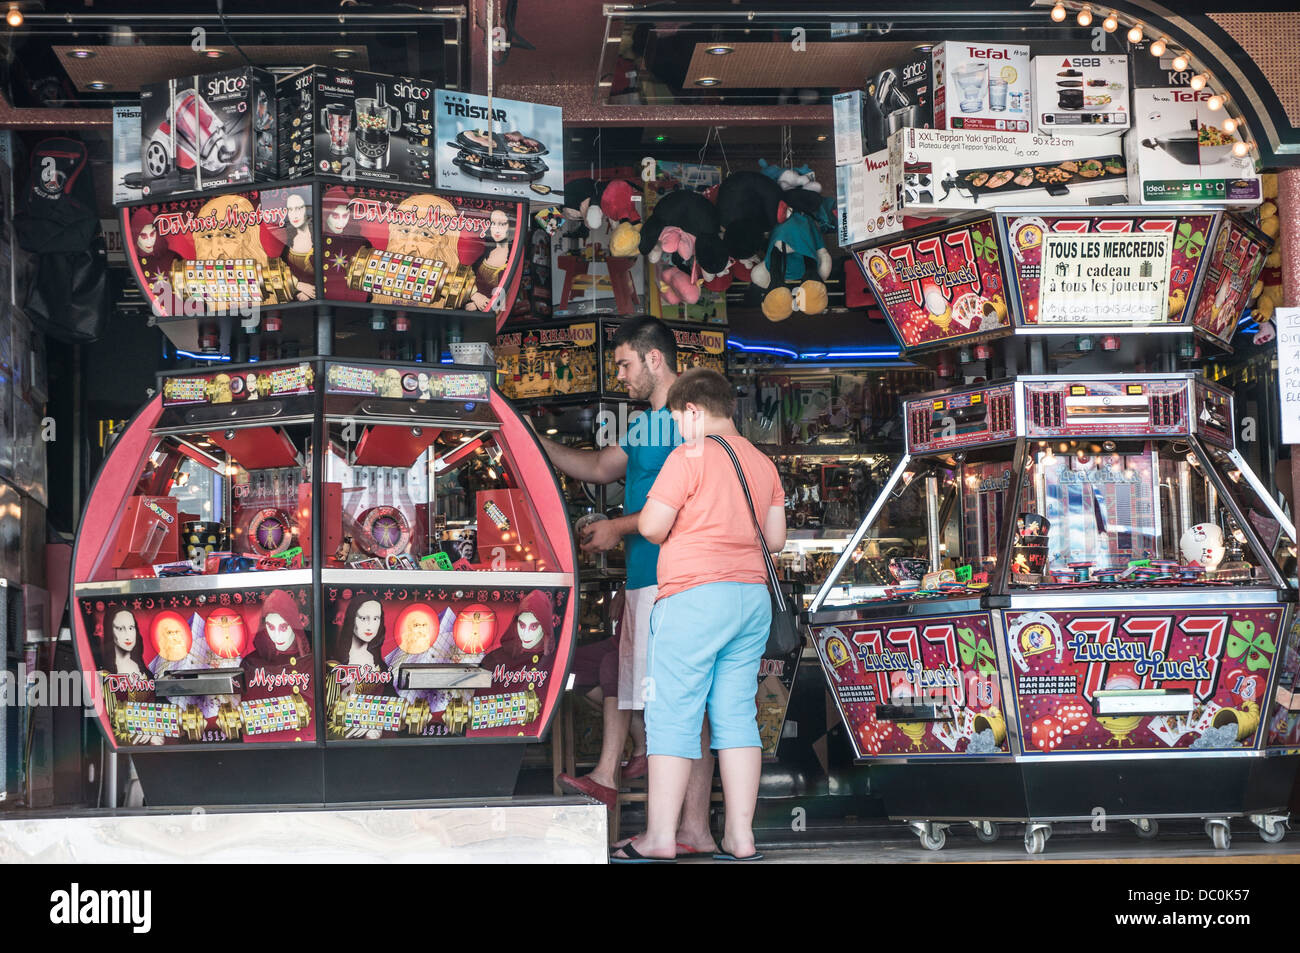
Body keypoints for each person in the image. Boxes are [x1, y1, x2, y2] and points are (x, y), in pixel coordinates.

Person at [536, 317, 708, 838]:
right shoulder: (649, 423)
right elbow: (595, 468)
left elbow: (693, 505)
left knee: (683, 708)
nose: (620, 376)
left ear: (655, 359)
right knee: (661, 706)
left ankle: (692, 830)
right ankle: (678, 829)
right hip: (643, 582)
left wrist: (618, 526)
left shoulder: (689, 419)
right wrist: (534, 442)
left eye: (625, 364)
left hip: (675, 579)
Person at [612, 368, 786, 863]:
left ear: (691, 411)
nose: (677, 430)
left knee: (672, 715)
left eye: (676, 419)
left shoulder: (687, 455)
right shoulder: (762, 462)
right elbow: (774, 540)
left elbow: (650, 525)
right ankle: (740, 836)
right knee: (735, 716)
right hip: (749, 601)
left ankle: (661, 838)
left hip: (692, 597)